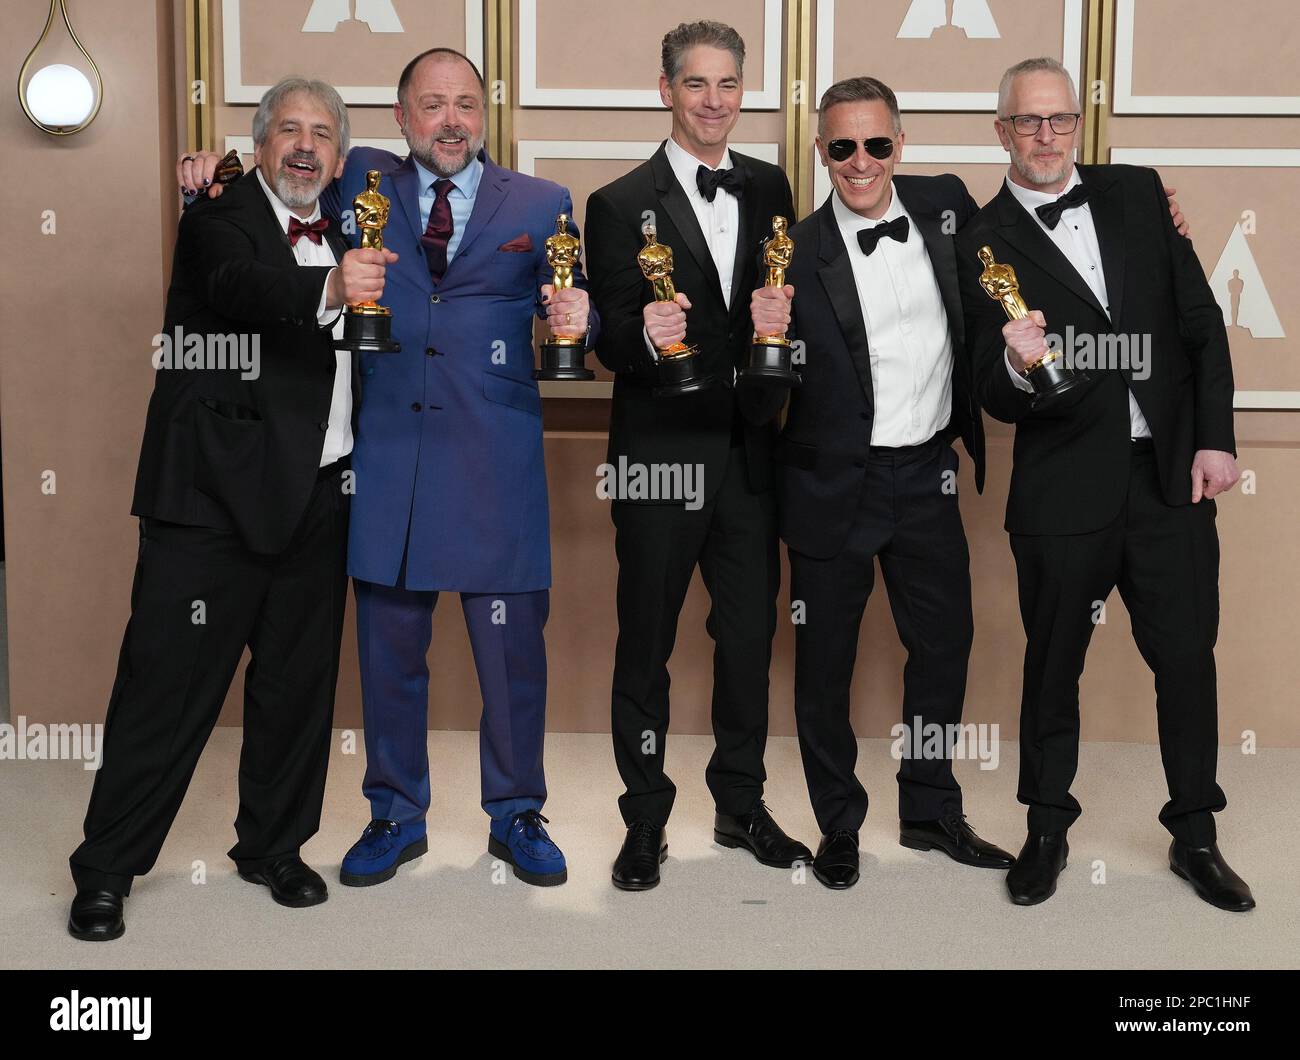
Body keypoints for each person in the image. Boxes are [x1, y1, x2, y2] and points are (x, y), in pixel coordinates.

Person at [180, 47, 595, 890]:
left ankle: (517, 814)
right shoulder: (356, 179)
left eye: (467, 105)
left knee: (513, 661)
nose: (452, 120)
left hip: (495, 464)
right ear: (401, 119)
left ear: (487, 115)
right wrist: (206, 170)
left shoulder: (545, 203)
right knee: (389, 653)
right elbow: (281, 169)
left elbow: (577, 316)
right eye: (432, 105)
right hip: (389, 462)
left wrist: (577, 312)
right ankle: (395, 814)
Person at [68, 77, 387, 940]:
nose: (305, 146)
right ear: (259, 141)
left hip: (323, 492)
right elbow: (242, 286)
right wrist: (327, 289)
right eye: (289, 128)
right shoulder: (217, 212)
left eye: (323, 133)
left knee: (297, 687)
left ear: (342, 155)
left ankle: (275, 848)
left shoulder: (359, 217)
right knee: (165, 691)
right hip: (211, 498)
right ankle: (105, 868)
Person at [956, 57, 1253, 910]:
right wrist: (1015, 367)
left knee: (1188, 662)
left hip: (1167, 479)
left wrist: (1214, 441)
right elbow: (985, 387)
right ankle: (1045, 829)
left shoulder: (1137, 192)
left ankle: (1195, 833)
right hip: (1060, 489)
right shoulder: (978, 241)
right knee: (1052, 668)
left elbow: (1200, 328)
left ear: (1075, 125)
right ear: (1000, 129)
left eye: (1058, 121)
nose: (1044, 137)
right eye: (1026, 122)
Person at [741, 77, 1013, 890]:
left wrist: (1145, 207)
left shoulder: (947, 206)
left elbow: (1034, 228)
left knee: (943, 646)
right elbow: (758, 406)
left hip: (927, 472)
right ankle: (840, 823)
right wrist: (763, 344)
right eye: (841, 147)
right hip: (831, 484)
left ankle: (930, 809)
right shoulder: (790, 249)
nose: (861, 162)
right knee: (825, 662)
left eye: (877, 144)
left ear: (903, 144)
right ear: (821, 152)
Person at [584, 20, 811, 891]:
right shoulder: (615, 203)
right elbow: (603, 329)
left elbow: (781, 300)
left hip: (752, 452)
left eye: (727, 85)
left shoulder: (771, 185)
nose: (713, 101)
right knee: (645, 645)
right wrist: (641, 329)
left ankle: (739, 805)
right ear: (666, 90)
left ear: (741, 92)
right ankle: (645, 821)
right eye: (696, 85)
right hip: (658, 456)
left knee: (748, 639)